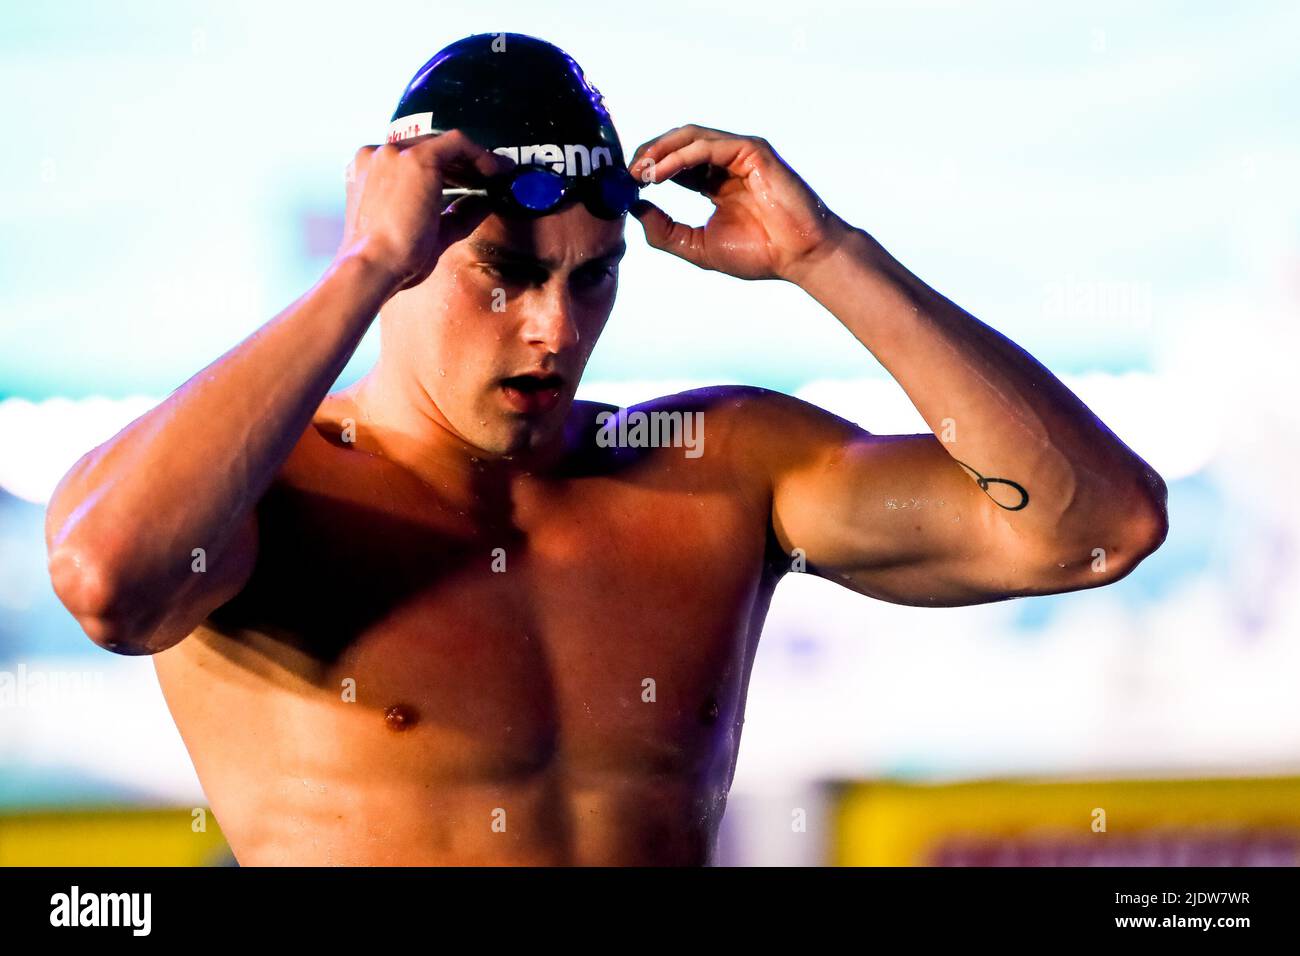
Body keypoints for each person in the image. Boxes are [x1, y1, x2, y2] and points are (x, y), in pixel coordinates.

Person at [44, 33, 1168, 866]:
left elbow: (1097, 528)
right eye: (510, 276)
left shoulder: (719, 469)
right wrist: (356, 271)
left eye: (594, 278)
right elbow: (110, 583)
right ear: (407, 252)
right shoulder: (266, 492)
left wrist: (828, 255)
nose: (556, 329)